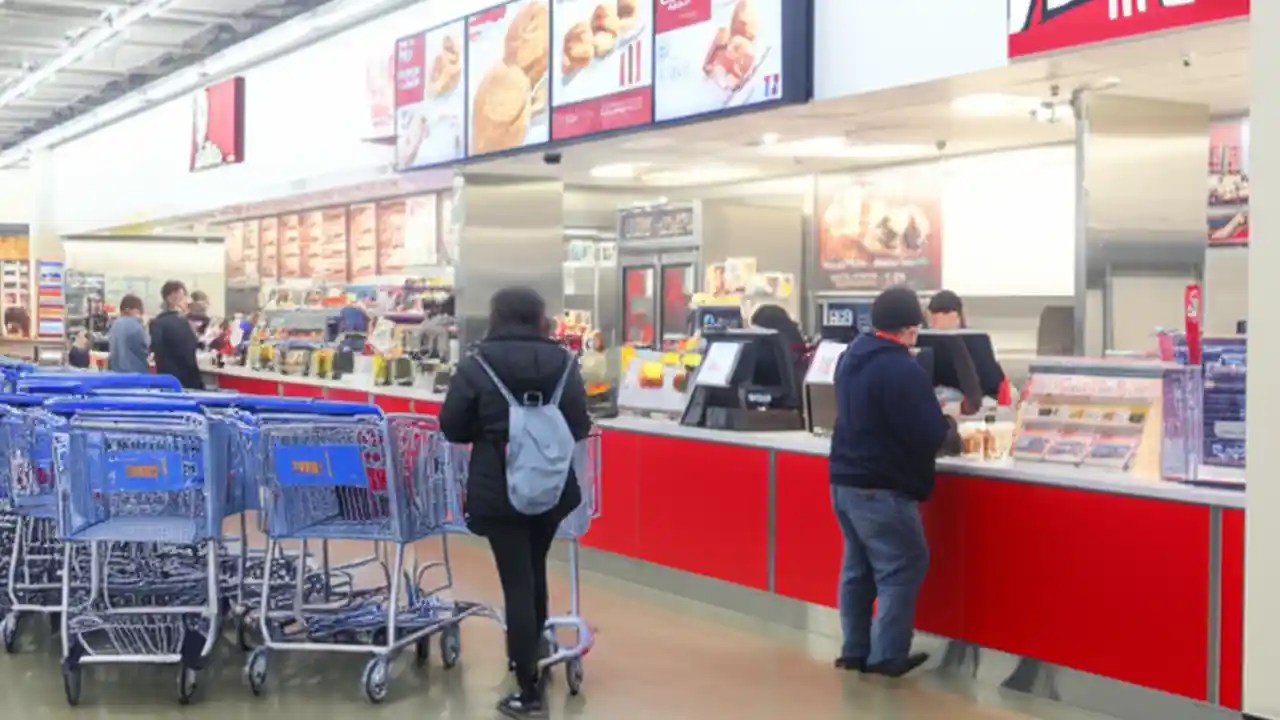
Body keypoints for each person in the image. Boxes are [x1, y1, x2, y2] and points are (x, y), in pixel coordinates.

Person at [439, 287, 591, 718]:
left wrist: (496, 430)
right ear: (540, 316)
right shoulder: (564, 363)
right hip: (551, 487)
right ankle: (535, 663)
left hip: (498, 486)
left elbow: (452, 426)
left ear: (496, 316)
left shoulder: (477, 364)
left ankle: (528, 689)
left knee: (516, 583)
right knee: (534, 573)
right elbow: (579, 423)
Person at [828, 286, 953, 678]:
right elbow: (928, 432)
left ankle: (854, 650)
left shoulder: (851, 356)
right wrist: (950, 427)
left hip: (844, 481)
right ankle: (888, 656)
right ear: (910, 328)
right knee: (903, 565)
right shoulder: (901, 368)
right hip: (881, 487)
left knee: (858, 568)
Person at [150, 280, 203, 389]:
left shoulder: (157, 322)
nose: (187, 301)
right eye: (183, 296)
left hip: (165, 379)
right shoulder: (180, 323)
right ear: (173, 298)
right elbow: (188, 354)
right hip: (184, 381)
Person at [107, 294, 150, 373]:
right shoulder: (135, 325)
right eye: (138, 312)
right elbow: (147, 345)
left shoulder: (115, 325)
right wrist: (144, 326)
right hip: (136, 375)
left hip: (116, 374)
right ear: (128, 310)